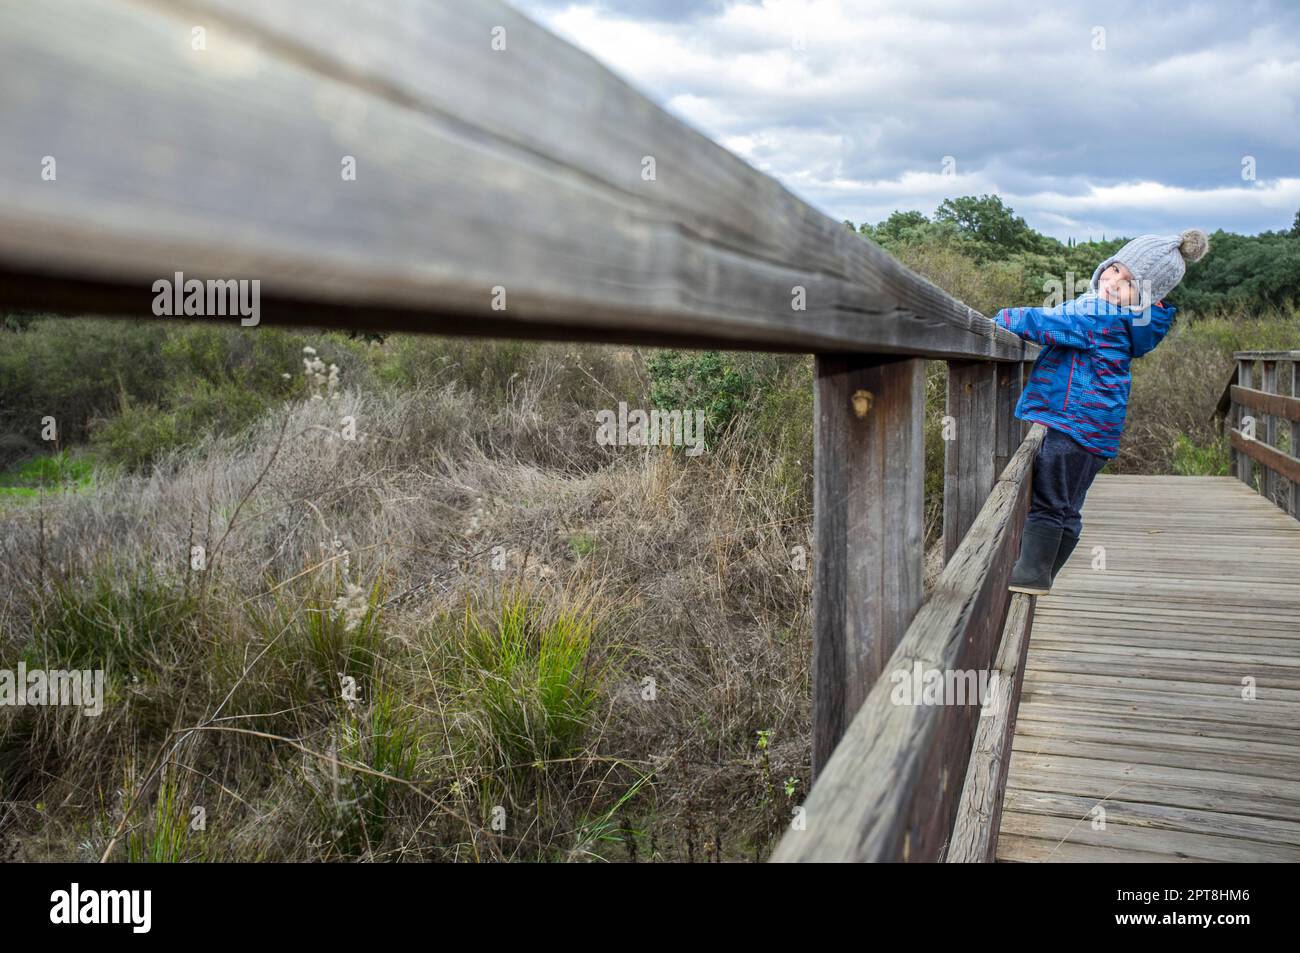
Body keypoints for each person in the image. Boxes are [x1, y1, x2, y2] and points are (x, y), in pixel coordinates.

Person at [1000, 228, 1210, 594]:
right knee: (1068, 504)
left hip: (1075, 427)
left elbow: (1048, 323)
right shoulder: (1124, 320)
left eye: (1130, 284)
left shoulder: (1102, 316)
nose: (1114, 283)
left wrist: (1003, 318)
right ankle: (1042, 573)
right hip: (1095, 431)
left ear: (1144, 299)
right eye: (1115, 270)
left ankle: (1030, 574)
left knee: (1050, 499)